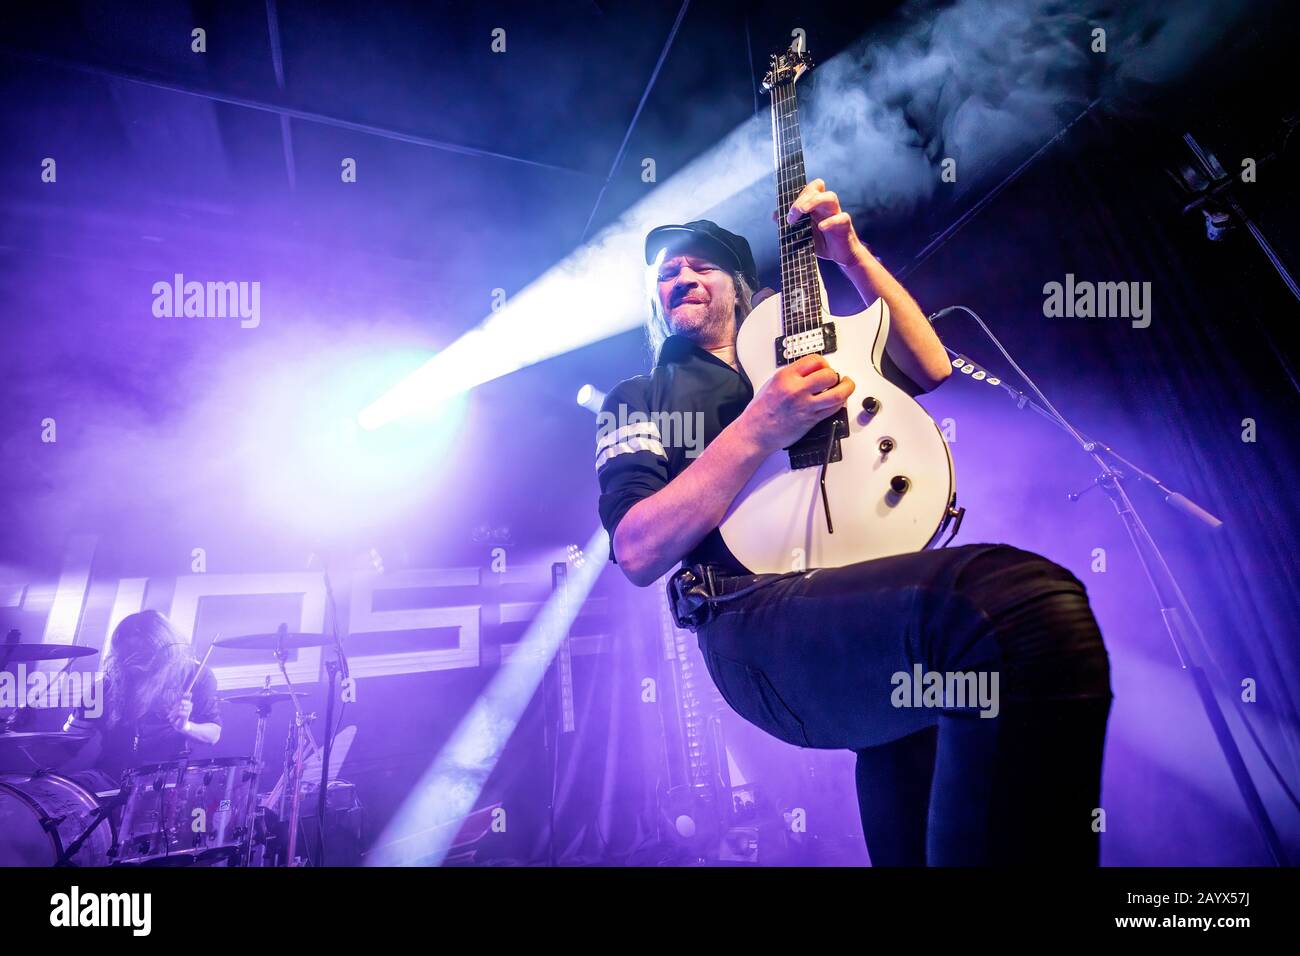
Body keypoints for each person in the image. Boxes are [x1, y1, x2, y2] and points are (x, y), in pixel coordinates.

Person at [596, 181, 1113, 865]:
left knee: (924, 738)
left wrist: (850, 252)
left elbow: (929, 366)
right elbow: (635, 550)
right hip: (750, 621)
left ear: (743, 287)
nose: (681, 277)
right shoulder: (637, 397)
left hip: (860, 591)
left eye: (701, 265)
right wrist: (759, 427)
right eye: (666, 273)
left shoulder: (809, 352)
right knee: (1018, 605)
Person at [65, 610, 222, 789]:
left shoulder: (195, 675)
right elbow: (68, 742)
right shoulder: (105, 686)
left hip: (165, 782)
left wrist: (186, 727)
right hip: (108, 778)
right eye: (127, 655)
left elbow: (213, 734)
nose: (135, 663)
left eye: (143, 655)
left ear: (165, 651)